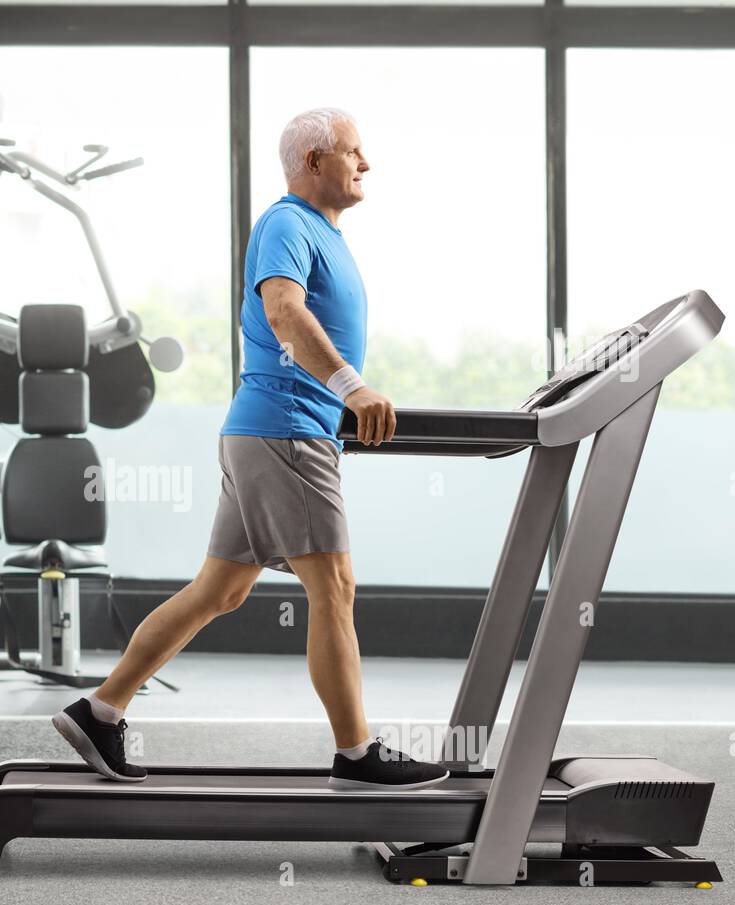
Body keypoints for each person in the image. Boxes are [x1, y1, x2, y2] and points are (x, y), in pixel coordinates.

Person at [52, 107, 449, 790]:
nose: (366, 164)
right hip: (285, 428)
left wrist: (341, 403)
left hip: (272, 429)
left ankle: (100, 709)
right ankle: (357, 753)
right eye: (354, 152)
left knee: (219, 590)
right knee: (334, 587)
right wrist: (352, 390)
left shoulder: (321, 232)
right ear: (315, 162)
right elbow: (283, 313)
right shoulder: (288, 224)